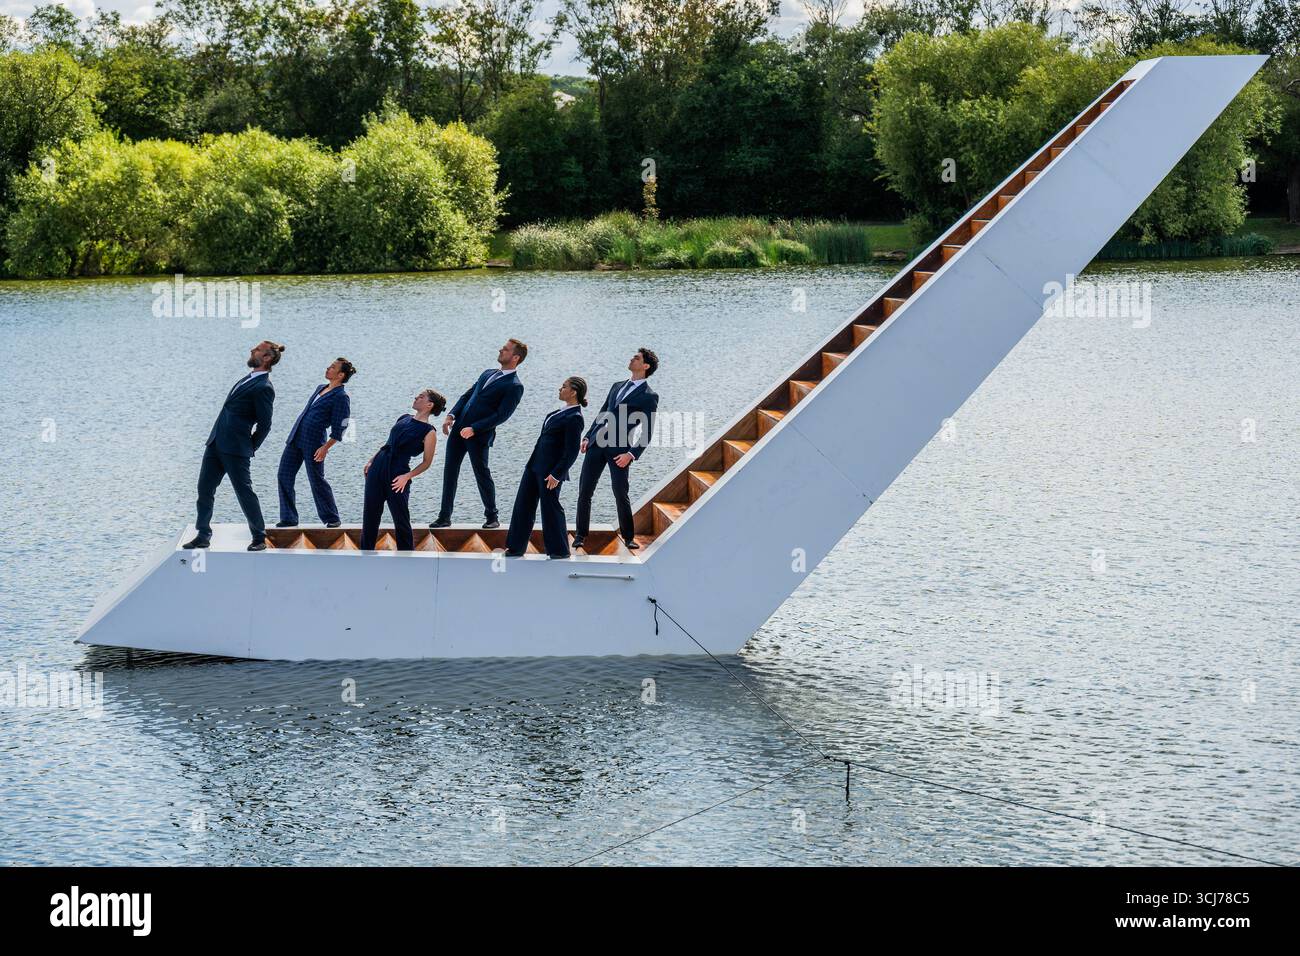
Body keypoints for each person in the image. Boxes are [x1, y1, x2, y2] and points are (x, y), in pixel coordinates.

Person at [185, 341, 284, 552]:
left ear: (266, 358)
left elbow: (265, 425)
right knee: (204, 489)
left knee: (244, 492)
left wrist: (250, 447)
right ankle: (203, 535)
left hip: (236, 449)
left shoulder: (264, 387)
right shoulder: (248, 378)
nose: (251, 350)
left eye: (257, 350)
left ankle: (259, 537)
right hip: (215, 443)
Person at [430, 339, 527, 530]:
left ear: (515, 357)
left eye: (505, 349)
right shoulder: (488, 373)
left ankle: (492, 516)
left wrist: (475, 428)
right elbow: (467, 396)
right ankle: (444, 516)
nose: (501, 349)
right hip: (458, 431)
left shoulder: (515, 385)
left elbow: (502, 415)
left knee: (481, 473)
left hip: (479, 435)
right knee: (450, 472)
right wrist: (451, 415)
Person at [573, 348, 660, 551]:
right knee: (585, 491)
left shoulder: (649, 396)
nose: (632, 358)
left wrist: (631, 454)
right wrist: (587, 435)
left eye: (637, 358)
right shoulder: (617, 386)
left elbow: (647, 431)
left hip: (619, 451)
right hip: (596, 444)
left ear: (645, 366)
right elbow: (603, 412)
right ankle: (580, 536)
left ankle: (629, 537)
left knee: (620, 493)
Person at [505, 377, 587, 559]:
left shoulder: (575, 418)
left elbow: (572, 451)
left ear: (573, 392)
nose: (560, 388)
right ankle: (515, 547)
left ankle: (559, 551)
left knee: (550, 508)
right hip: (534, 466)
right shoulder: (555, 413)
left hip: (550, 472)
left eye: (564, 386)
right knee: (523, 505)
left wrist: (557, 475)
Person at [276, 357, 355, 528]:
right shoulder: (321, 387)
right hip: (295, 438)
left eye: (332, 367)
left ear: (341, 375)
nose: (328, 368)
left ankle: (332, 518)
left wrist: (326, 448)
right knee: (284, 475)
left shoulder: (341, 396)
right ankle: (289, 518)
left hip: (315, 444)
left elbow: (341, 426)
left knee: (316, 480)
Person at [361, 390, 445, 551]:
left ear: (429, 405)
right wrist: (371, 460)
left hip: (398, 474)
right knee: (370, 515)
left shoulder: (429, 431)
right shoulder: (403, 418)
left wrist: (407, 476)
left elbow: (427, 462)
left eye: (421, 397)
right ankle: (366, 553)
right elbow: (388, 443)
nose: (416, 397)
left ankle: (407, 557)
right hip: (377, 468)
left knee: (401, 518)